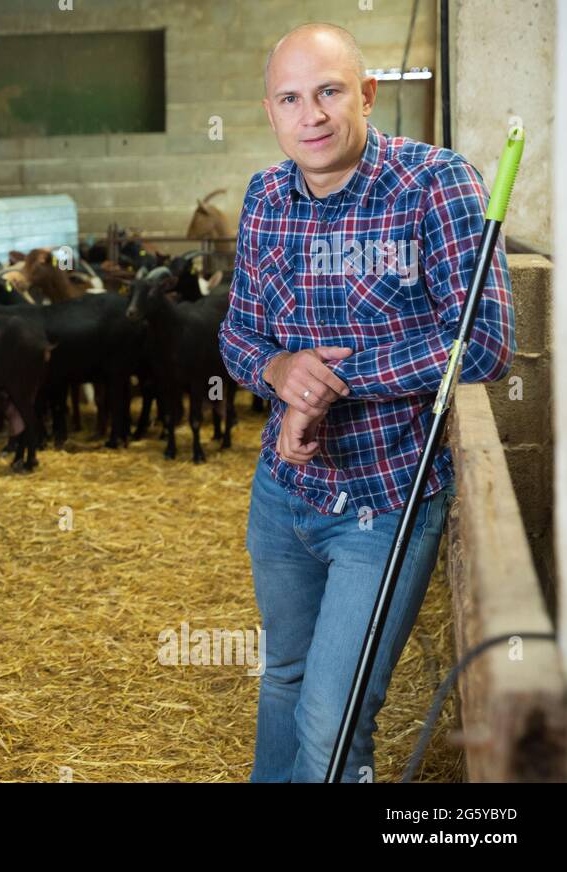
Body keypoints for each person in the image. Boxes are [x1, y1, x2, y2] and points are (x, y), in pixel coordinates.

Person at [218, 23, 516, 781]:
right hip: (283, 496)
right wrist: (282, 370)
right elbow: (238, 336)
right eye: (291, 98)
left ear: (368, 93)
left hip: (385, 501)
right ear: (270, 111)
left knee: (334, 719)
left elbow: (483, 341)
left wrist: (331, 385)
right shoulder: (264, 195)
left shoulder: (437, 183)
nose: (311, 115)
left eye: (328, 91)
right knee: (283, 673)